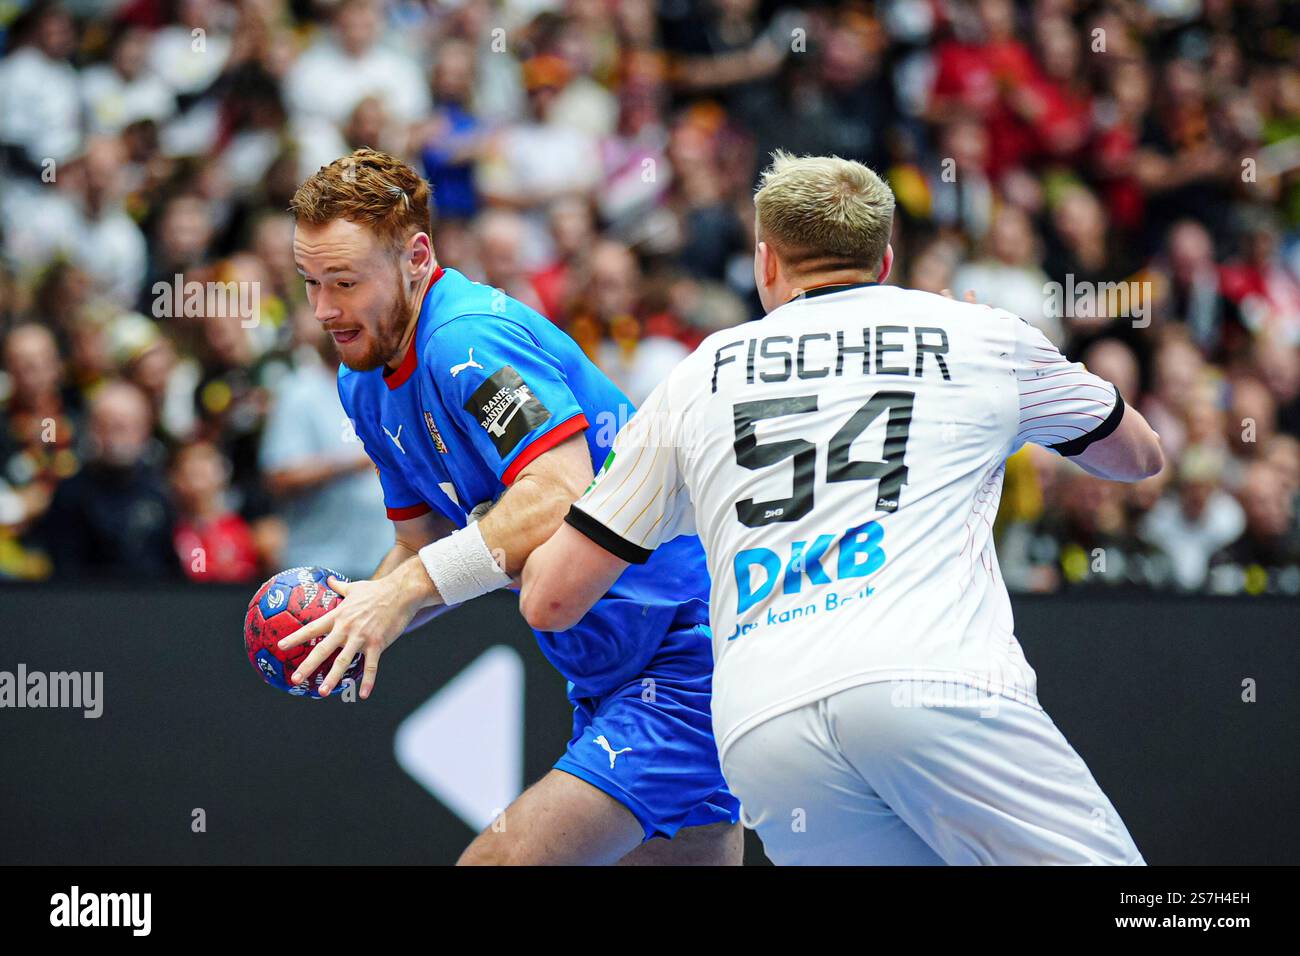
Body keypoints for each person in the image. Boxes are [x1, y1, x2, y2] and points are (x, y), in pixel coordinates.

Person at [520, 151, 1165, 865]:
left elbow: (551, 598)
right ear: (885, 259)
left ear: (766, 262)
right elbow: (1137, 457)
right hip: (932, 680)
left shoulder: (698, 372)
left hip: (765, 722)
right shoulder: (979, 334)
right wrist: (1015, 381)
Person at [277, 149, 740, 865]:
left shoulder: (465, 339)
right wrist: (361, 614)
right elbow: (420, 545)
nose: (324, 309)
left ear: (416, 256)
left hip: (686, 647)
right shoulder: (363, 381)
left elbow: (556, 496)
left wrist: (399, 593)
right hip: (604, 669)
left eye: (344, 282)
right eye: (309, 283)